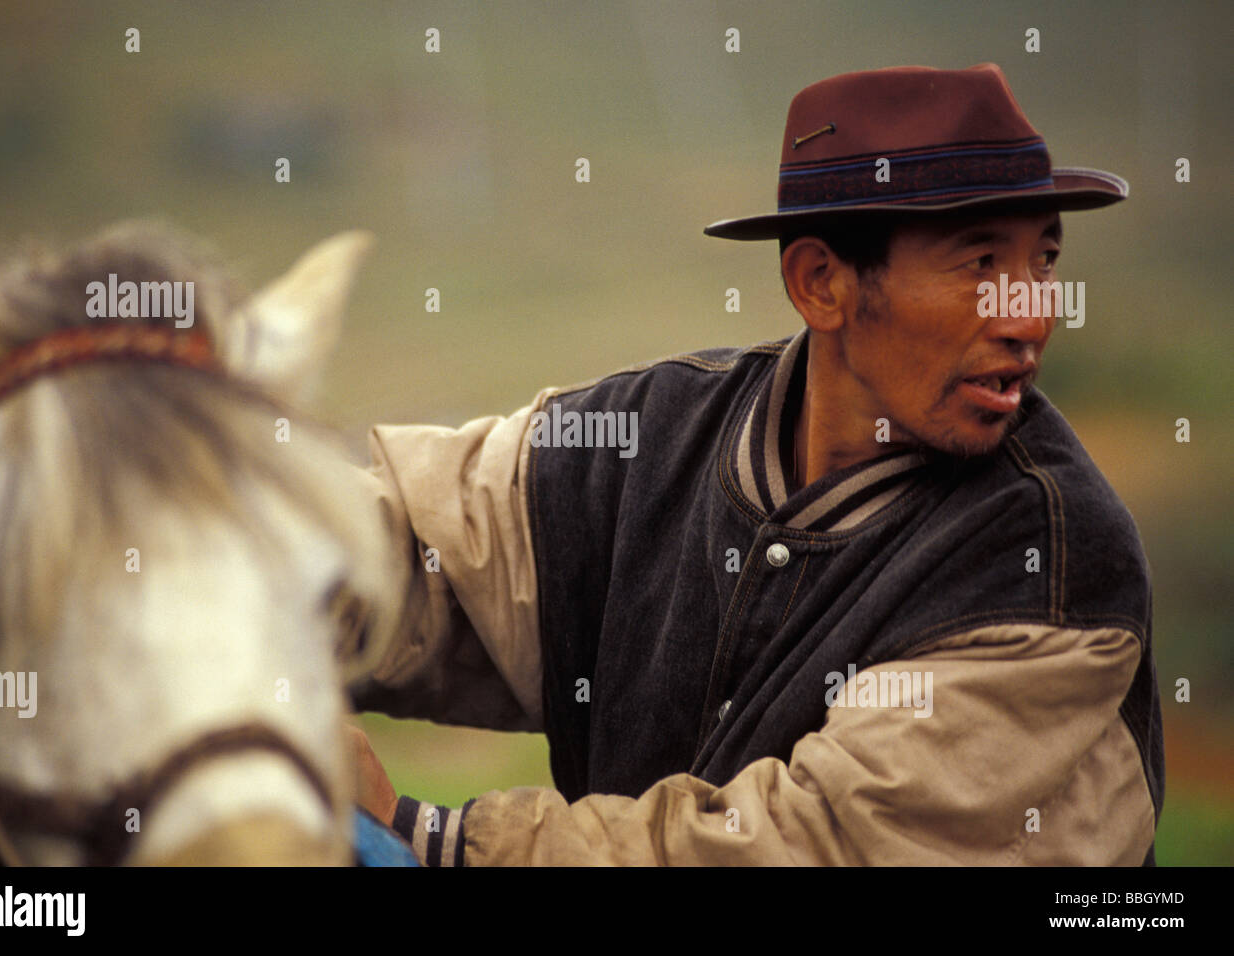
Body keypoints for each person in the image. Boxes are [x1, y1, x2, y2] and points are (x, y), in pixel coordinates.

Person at [341, 63, 1164, 866]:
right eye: (981, 264)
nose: (1031, 316)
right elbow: (405, 544)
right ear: (820, 284)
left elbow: (810, 844)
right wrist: (232, 595)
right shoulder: (646, 439)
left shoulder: (1046, 561)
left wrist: (428, 838)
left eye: (1044, 262)